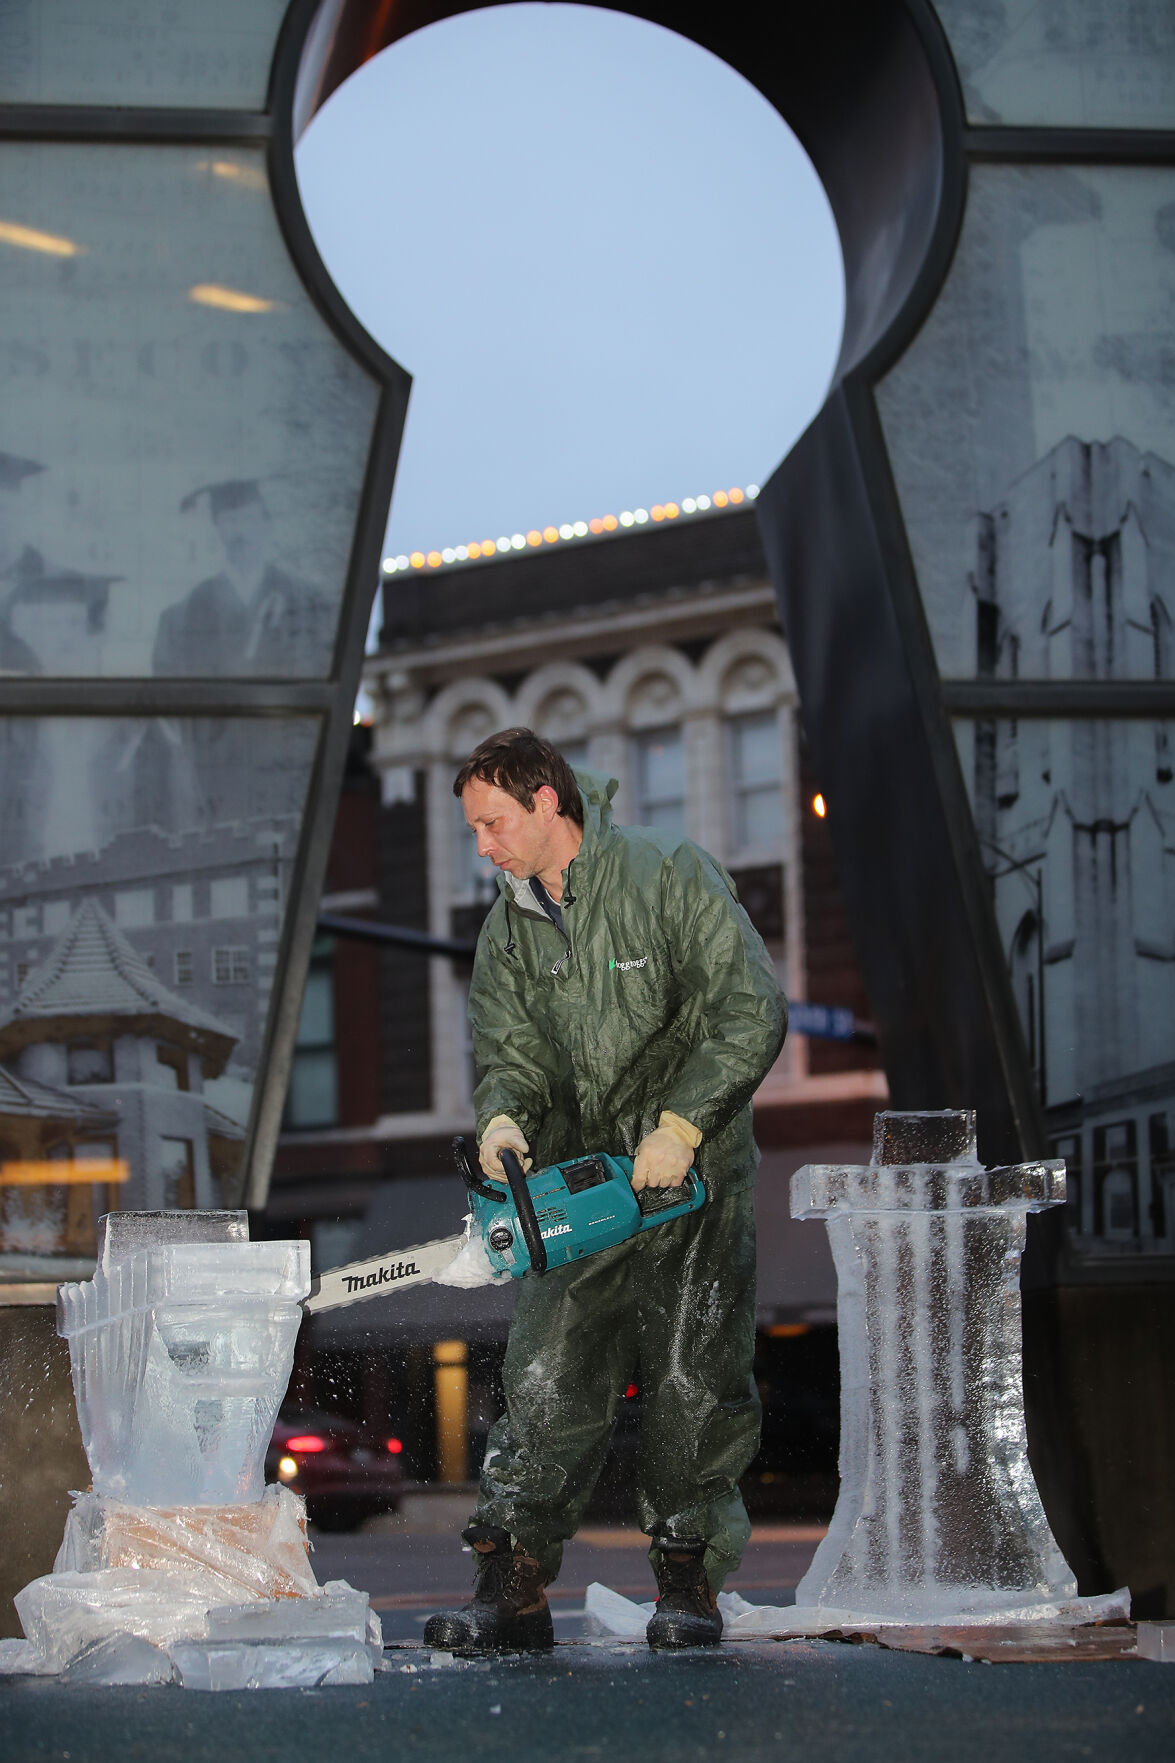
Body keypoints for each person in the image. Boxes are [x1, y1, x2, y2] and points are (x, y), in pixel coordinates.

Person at [425, 728, 787, 1655]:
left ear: (546, 801)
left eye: (492, 823)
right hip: (580, 1184)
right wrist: (503, 1119)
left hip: (686, 1177)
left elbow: (749, 1006)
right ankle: (510, 1585)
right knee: (544, 1370)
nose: (482, 845)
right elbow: (509, 1051)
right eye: (473, 829)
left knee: (692, 1372)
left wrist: (683, 1122)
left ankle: (687, 1581)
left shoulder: (665, 873)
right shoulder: (507, 929)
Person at [153, 478, 331, 678]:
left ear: (266, 524)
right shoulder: (183, 614)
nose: (240, 532)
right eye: (229, 520)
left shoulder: (306, 602)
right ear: (217, 528)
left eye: (248, 518)